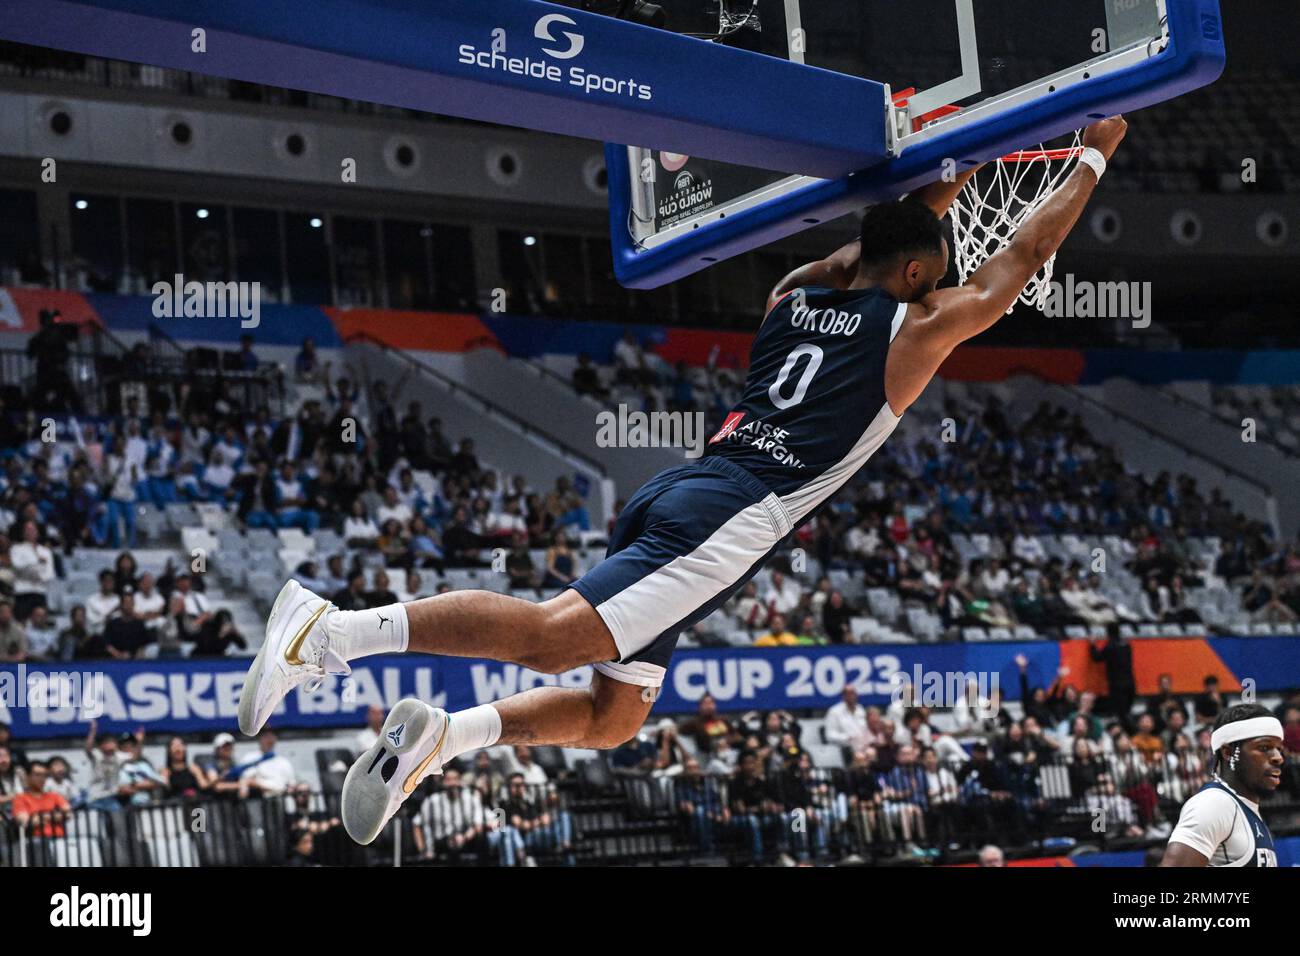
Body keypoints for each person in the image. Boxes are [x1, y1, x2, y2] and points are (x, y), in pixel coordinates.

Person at [236, 117, 1132, 845]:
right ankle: (332, 632)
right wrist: (1092, 153)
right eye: (931, 281)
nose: (939, 294)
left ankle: (447, 737)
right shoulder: (910, 336)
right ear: (910, 276)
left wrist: (948, 184)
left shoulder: (794, 294)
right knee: (555, 640)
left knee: (615, 717)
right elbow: (1016, 263)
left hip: (688, 487)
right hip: (735, 514)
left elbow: (873, 250)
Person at [1161, 704, 1283, 867]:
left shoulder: (1245, 808)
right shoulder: (1215, 804)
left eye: (1278, 748)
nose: (1278, 757)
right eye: (1264, 747)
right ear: (1228, 752)